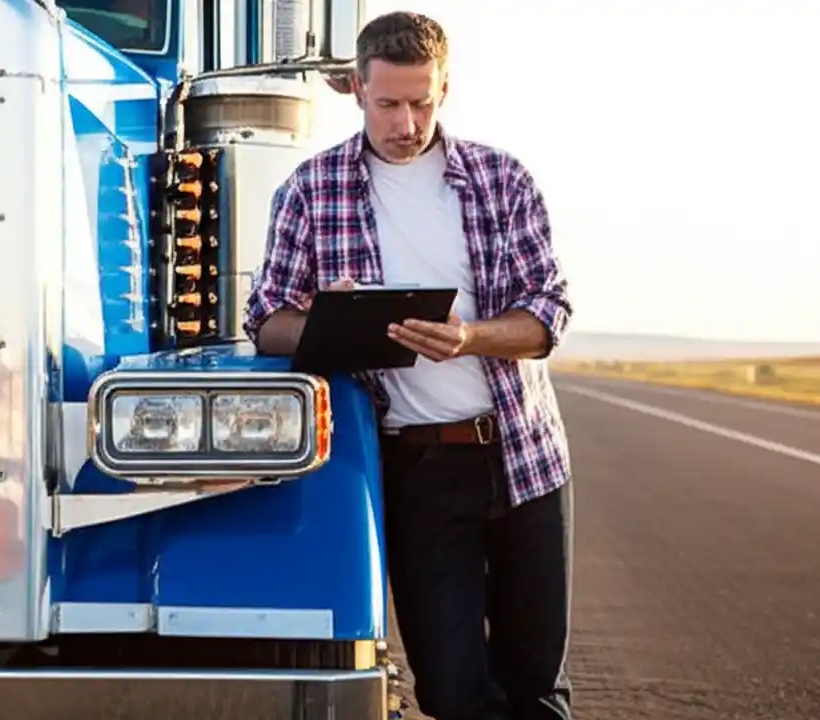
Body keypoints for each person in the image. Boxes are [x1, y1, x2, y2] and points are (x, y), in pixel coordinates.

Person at [243, 11, 575, 720]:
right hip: (417, 474)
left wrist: (472, 338)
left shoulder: (502, 179)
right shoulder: (310, 190)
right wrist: (329, 324)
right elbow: (267, 323)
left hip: (524, 459)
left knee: (536, 688)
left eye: (422, 101)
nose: (406, 120)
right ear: (357, 90)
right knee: (455, 692)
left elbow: (548, 316)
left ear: (444, 89)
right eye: (389, 102)